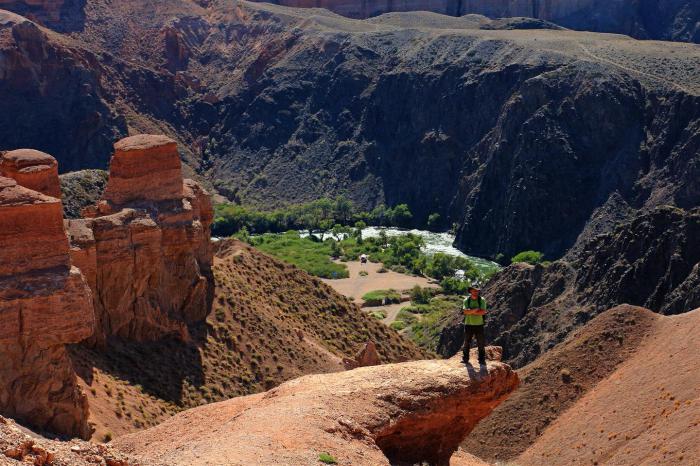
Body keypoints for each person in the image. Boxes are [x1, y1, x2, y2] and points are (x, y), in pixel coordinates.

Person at [462, 286, 487, 365]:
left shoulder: (481, 300)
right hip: (468, 324)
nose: (476, 292)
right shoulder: (466, 300)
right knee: (466, 342)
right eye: (474, 291)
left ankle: (482, 359)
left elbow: (483, 312)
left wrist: (471, 311)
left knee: (481, 343)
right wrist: (476, 310)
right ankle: (465, 359)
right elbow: (465, 312)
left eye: (477, 291)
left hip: (479, 324)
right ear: (470, 291)